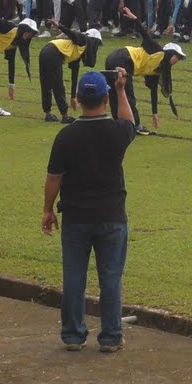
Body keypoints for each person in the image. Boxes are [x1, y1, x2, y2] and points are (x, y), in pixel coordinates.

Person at [42, 68, 136, 353]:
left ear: (78, 99)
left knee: (73, 276)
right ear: (105, 98)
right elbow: (130, 122)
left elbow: (54, 177)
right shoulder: (117, 132)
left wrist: (47, 210)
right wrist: (122, 90)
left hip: (75, 217)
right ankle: (110, 336)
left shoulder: (66, 135)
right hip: (111, 216)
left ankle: (73, 335)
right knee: (110, 278)